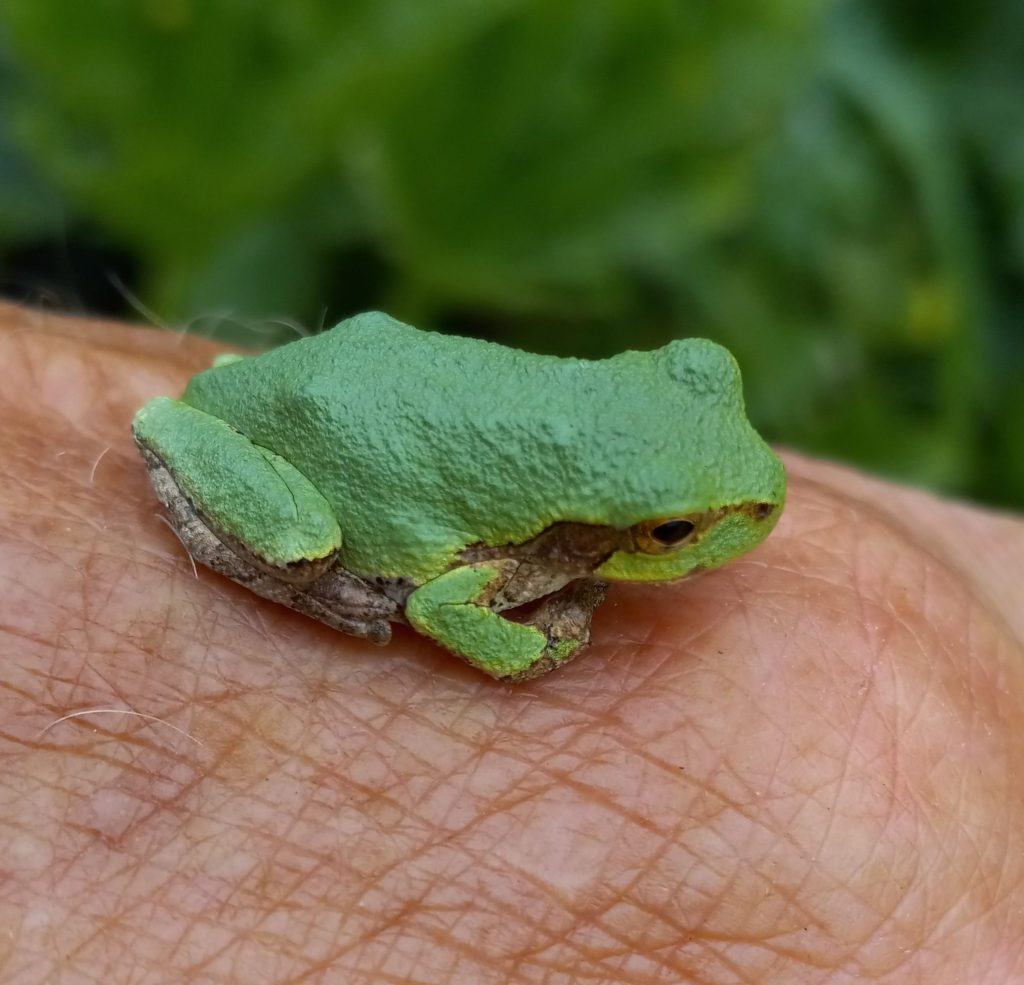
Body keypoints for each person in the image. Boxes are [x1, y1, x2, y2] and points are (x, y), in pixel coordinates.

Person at [2, 302, 1022, 984]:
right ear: (591, 533)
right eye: (673, 530)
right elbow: (444, 607)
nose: (742, 517)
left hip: (327, 379)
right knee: (312, 542)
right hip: (312, 455)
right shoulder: (523, 552)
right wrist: (541, 648)